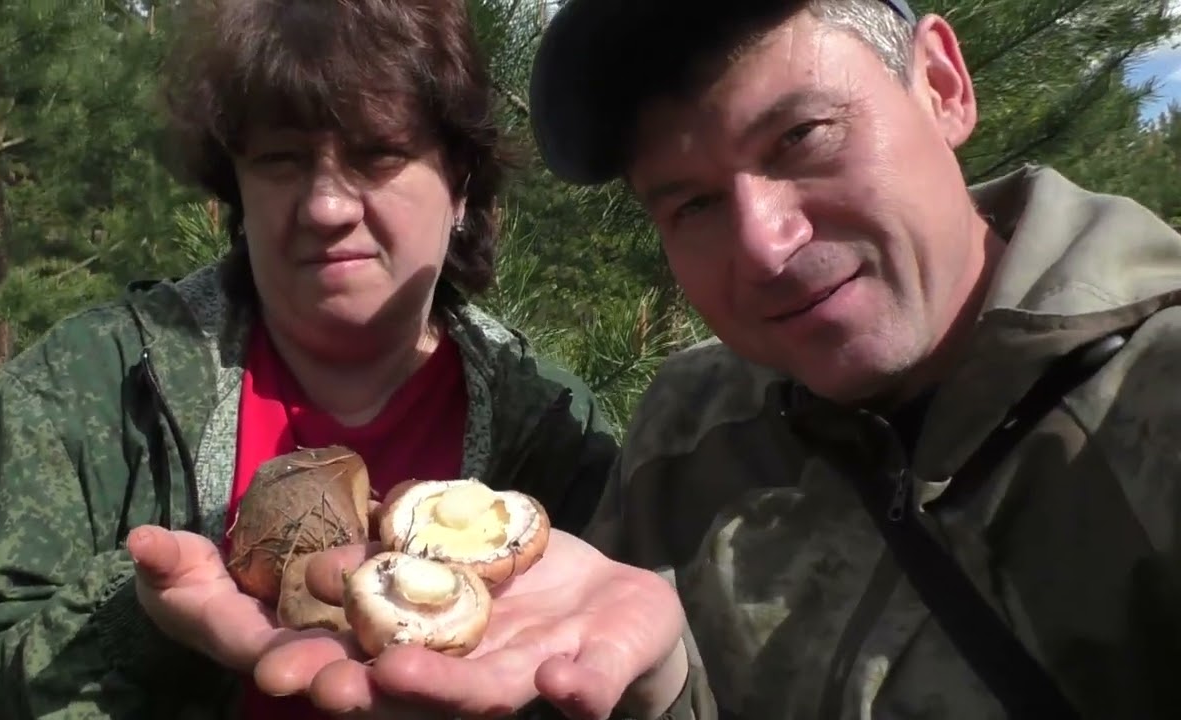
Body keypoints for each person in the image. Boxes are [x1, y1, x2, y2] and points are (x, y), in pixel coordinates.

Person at [250, 0, 1181, 718]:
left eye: (802, 137)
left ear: (942, 85)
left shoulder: (1158, 395)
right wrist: (651, 690)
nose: (765, 246)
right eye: (690, 204)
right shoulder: (683, 436)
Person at [0, 0, 619, 717]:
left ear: (460, 181)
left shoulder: (555, 431)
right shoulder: (93, 393)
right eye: (281, 159)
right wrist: (139, 624)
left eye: (379, 153)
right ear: (235, 185)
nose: (326, 205)